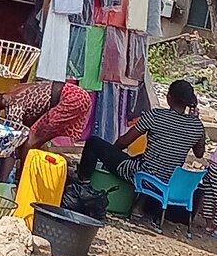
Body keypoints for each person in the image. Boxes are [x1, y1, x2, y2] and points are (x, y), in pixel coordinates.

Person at [77, 80, 207, 212]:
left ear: (169, 98)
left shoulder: (156, 116)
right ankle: (139, 206)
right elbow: (199, 153)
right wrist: (195, 121)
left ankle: (83, 185)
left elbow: (124, 142)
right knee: (148, 160)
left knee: (94, 142)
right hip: (167, 181)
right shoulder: (197, 126)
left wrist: (110, 154)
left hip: (141, 176)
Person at [0, 79, 92, 182]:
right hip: (77, 94)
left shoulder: (12, 105)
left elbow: (14, 144)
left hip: (70, 100)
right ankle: (29, 174)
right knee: (37, 140)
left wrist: (3, 179)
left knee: (31, 141)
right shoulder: (14, 89)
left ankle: (22, 179)